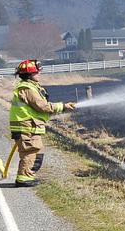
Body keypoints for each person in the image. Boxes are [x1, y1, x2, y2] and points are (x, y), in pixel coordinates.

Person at [7, 59, 75, 187]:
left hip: (30, 127)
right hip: (26, 127)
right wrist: (62, 106)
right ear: (29, 74)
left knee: (37, 151)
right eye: (37, 72)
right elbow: (42, 106)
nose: (40, 74)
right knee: (30, 151)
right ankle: (23, 179)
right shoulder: (27, 89)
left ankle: (28, 176)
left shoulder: (32, 87)